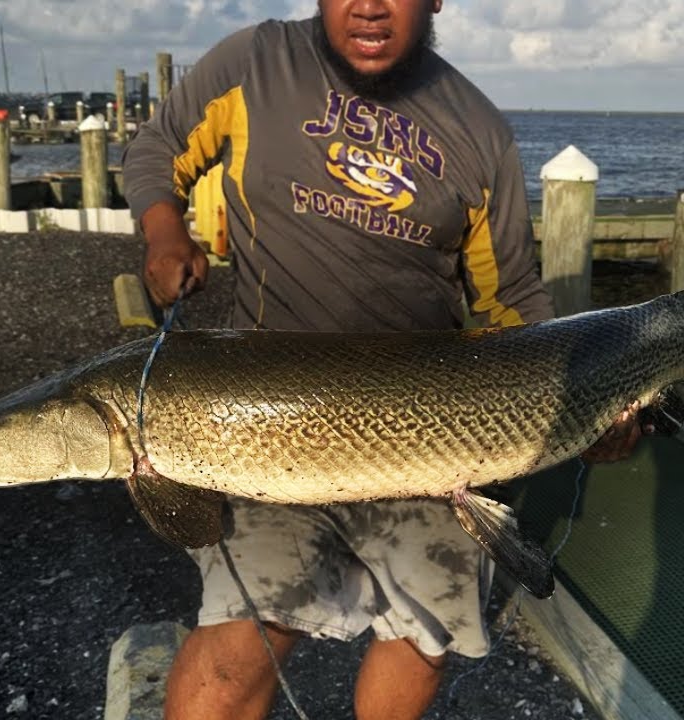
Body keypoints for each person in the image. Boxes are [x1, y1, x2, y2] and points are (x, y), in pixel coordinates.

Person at [121, 2, 640, 718]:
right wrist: (162, 233)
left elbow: (510, 296)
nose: (369, 4)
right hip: (268, 422)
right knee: (245, 632)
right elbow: (159, 149)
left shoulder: (479, 129)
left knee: (425, 633)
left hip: (429, 428)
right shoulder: (254, 62)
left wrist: (584, 404)